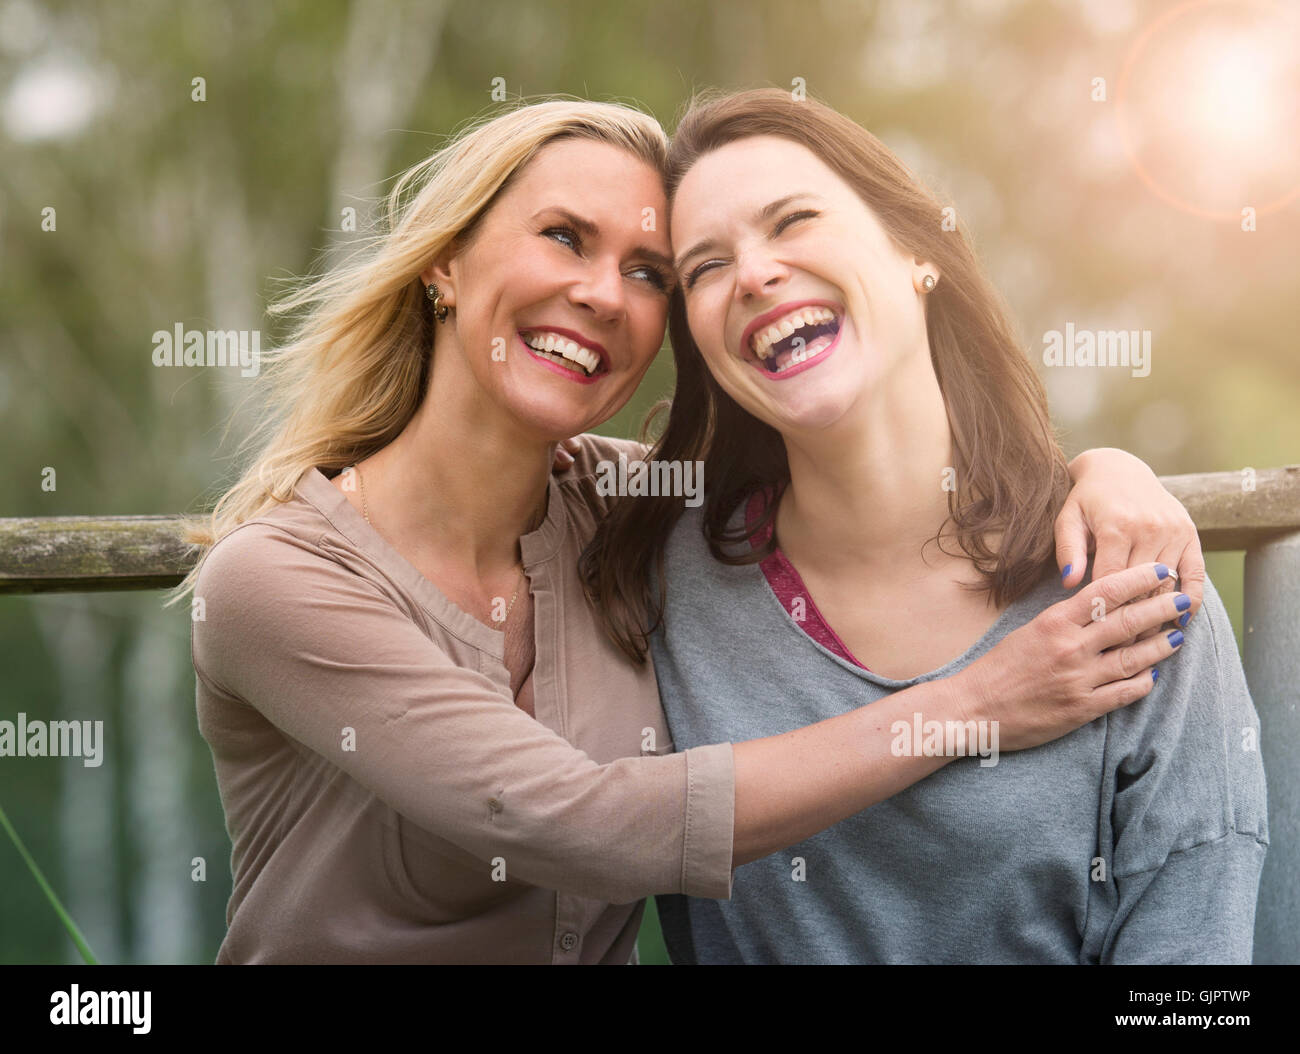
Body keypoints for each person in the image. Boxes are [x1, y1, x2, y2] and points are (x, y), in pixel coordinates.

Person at [177, 97, 1204, 964]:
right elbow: (568, 821)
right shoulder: (271, 580)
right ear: (443, 263)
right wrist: (975, 703)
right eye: (565, 238)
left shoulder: (633, 509)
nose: (600, 294)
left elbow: (856, 465)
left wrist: (1101, 473)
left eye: (651, 274)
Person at [583, 87, 1268, 964]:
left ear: (917, 252)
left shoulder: (1128, 581)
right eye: (706, 267)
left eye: (793, 220)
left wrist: (1108, 467)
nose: (753, 275)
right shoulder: (656, 564)